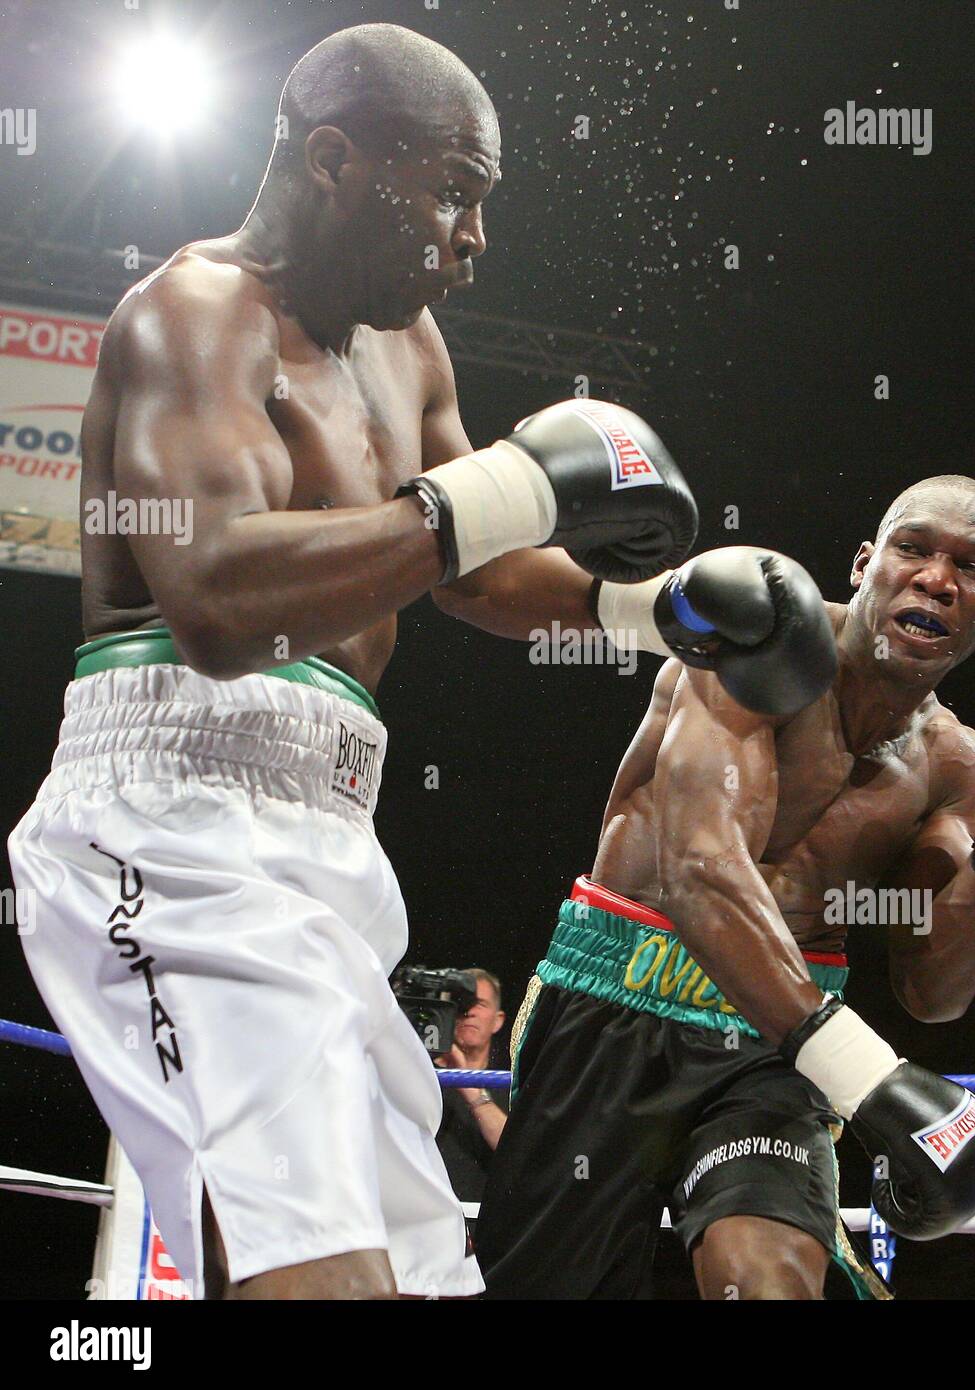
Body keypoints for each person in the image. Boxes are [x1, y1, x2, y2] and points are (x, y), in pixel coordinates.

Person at [5, 23, 708, 1301]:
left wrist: (663, 614)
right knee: (316, 1277)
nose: (473, 237)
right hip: (170, 820)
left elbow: (478, 569)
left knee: (426, 1283)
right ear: (332, 158)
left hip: (331, 838)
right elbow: (216, 599)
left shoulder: (410, 350)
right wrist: (489, 492)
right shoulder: (194, 311)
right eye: (453, 191)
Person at [475, 477, 975, 1300]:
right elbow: (700, 872)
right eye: (913, 548)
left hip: (772, 1059)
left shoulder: (954, 763)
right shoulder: (757, 641)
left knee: (769, 1284)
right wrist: (869, 1079)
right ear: (864, 563)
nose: (936, 579)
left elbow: (934, 988)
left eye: (972, 566)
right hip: (617, 1007)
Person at [435, 969, 509, 1207]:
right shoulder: (423, 1077)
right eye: (462, 1003)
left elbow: (514, 1149)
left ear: (498, 1021)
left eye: (479, 1004)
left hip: (483, 1224)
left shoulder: (511, 1083)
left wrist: (467, 1085)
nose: (469, 1012)